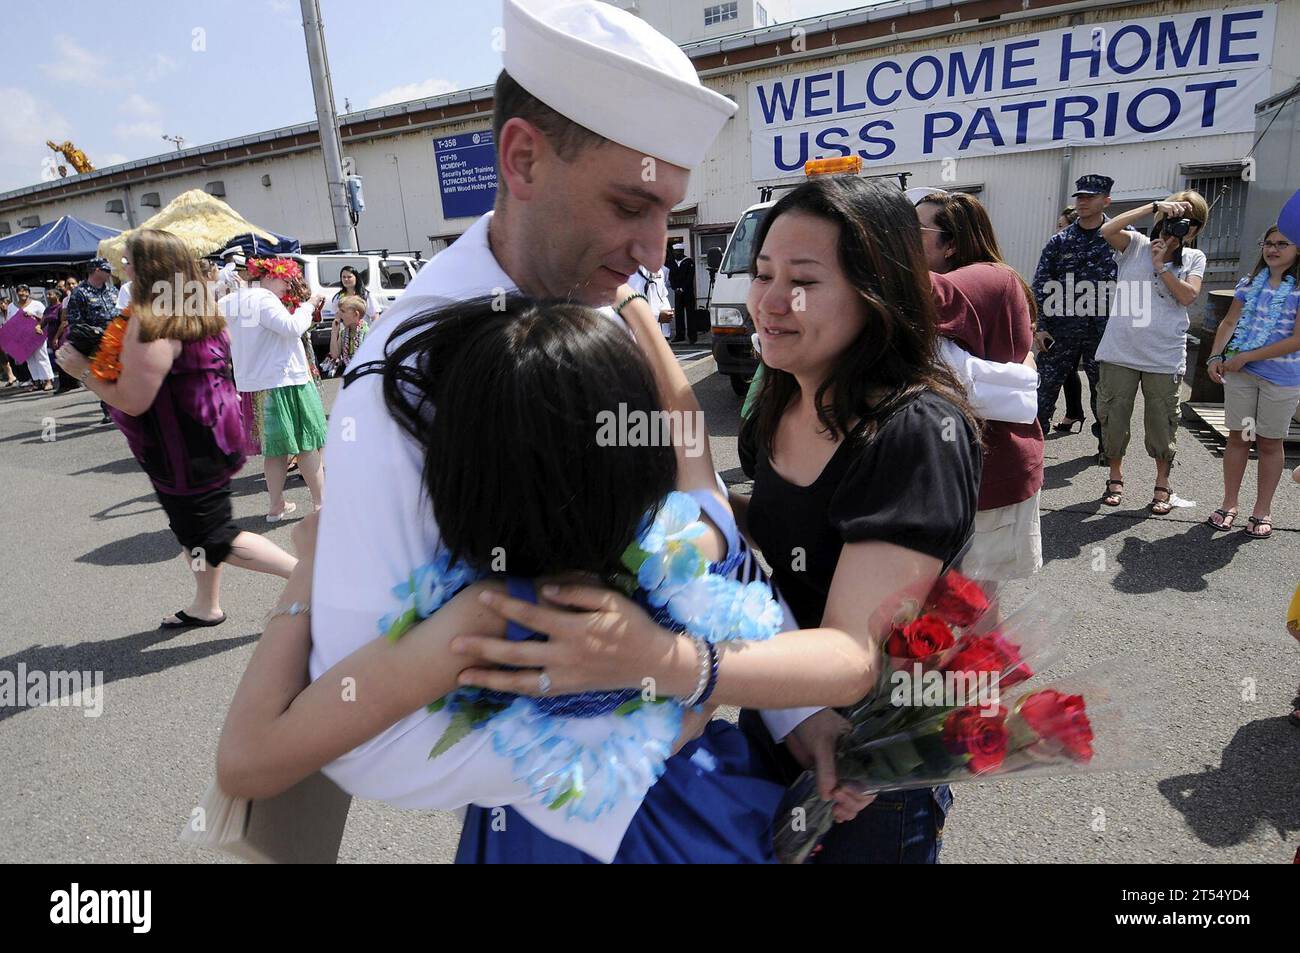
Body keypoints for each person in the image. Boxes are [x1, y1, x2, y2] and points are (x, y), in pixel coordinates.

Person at [55, 229, 297, 628]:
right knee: (193, 529)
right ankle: (207, 605)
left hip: (183, 448)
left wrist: (82, 371)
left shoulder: (153, 321)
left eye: (129, 260)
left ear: (149, 268)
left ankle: (310, 579)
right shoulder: (198, 308)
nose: (123, 267)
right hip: (206, 436)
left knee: (214, 536)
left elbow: (133, 399)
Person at [917, 191, 1044, 580]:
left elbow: (907, 292)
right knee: (958, 611)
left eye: (914, 230)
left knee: (972, 613)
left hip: (987, 476)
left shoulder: (988, 278)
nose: (901, 239)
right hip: (965, 475)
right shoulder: (990, 281)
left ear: (952, 244)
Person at [1095, 192, 1209, 514]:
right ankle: (1115, 476)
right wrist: (1153, 206)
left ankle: (1163, 481)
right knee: (1114, 417)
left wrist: (1162, 266)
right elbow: (1107, 230)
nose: (1174, 227)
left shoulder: (1194, 259)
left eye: (1186, 222)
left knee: (1161, 421)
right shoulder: (1136, 245)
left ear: (1195, 229)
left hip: (1164, 353)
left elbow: (1188, 297)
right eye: (1170, 218)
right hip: (1120, 350)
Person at [1205, 224, 1300, 539]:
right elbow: (1230, 320)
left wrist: (1246, 356)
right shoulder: (1249, 283)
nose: (1272, 250)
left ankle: (1262, 510)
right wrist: (1215, 355)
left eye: (1282, 244)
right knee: (1239, 437)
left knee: (1270, 443)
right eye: (1268, 243)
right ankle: (1229, 503)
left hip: (1280, 380)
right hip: (1242, 376)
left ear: (1298, 249)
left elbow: (1297, 340)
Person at [216, 257, 326, 522]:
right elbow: (291, 328)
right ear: (268, 276)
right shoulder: (263, 298)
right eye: (284, 280)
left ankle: (276, 506)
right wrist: (308, 306)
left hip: (254, 385)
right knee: (307, 445)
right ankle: (322, 505)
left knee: (275, 450)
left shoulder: (228, 301)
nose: (287, 287)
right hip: (285, 381)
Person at [1032, 174, 1118, 461]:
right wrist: (1041, 327)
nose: (1082, 201)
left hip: (1103, 332)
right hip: (1060, 331)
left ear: (1106, 200)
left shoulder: (1121, 237)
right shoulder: (1059, 242)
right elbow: (1041, 284)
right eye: (1079, 196)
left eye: (1089, 197)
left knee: (1104, 394)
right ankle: (1031, 451)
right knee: (1042, 393)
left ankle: (1108, 449)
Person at [64, 258, 120, 423]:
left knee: (121, 375)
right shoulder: (80, 293)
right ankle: (109, 409)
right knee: (105, 377)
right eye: (106, 270)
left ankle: (125, 406)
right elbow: (75, 323)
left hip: (117, 339)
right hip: (96, 342)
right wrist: (96, 332)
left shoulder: (112, 291)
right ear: (96, 270)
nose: (110, 273)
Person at [10, 285, 54, 391]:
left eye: (25, 291)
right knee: (30, 360)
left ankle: (48, 381)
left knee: (42, 357)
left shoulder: (37, 304)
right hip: (23, 337)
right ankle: (37, 381)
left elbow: (46, 318)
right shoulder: (12, 306)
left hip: (37, 334)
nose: (22, 293)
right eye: (20, 291)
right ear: (17, 293)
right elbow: (10, 321)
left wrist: (33, 316)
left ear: (28, 293)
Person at [323, 294, 368, 376]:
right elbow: (335, 354)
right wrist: (334, 332)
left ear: (356, 315)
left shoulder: (367, 333)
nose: (339, 314)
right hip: (350, 373)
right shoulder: (344, 333)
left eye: (343, 311)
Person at [626, 263, 674, 339]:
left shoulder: (659, 271)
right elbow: (629, 304)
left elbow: (663, 294)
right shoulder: (627, 272)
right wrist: (657, 316)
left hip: (655, 330)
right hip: (634, 333)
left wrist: (666, 309)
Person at [668, 244, 696, 343]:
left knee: (690, 314)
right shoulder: (673, 263)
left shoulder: (689, 262)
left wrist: (682, 288)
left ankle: (692, 336)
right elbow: (671, 277)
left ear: (681, 251)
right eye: (674, 252)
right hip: (677, 292)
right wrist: (675, 288)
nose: (675, 254)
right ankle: (680, 335)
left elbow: (690, 277)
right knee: (679, 314)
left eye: (677, 252)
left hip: (687, 292)